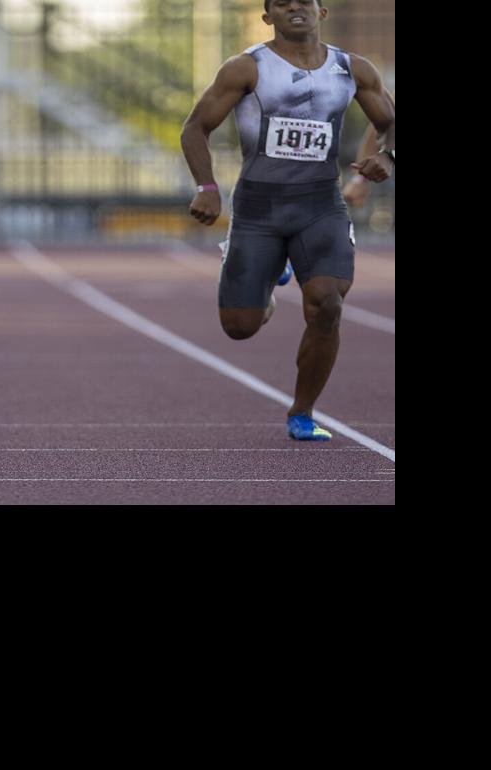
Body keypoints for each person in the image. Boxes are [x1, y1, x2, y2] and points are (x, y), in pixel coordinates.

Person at [181, 0, 394, 441]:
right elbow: (194, 128)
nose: (295, 6)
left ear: (322, 12)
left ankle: (302, 411)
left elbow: (390, 122)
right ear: (268, 17)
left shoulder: (353, 70)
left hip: (320, 205)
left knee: (327, 304)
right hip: (259, 209)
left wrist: (387, 157)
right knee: (239, 327)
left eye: (305, 0)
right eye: (282, 2)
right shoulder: (246, 69)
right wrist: (206, 188)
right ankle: (271, 283)